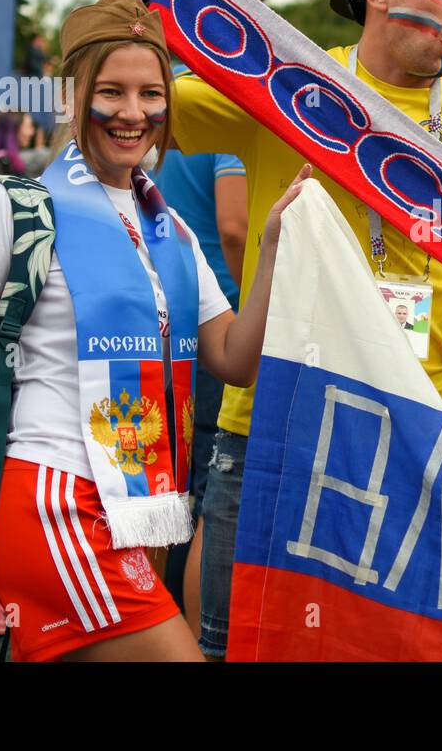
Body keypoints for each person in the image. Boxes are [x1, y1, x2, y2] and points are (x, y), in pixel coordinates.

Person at [143, 0, 442, 659]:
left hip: (417, 438)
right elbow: (116, 96)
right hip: (274, 431)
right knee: (234, 647)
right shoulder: (284, 87)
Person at [0, 0, 305, 662]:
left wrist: (272, 251)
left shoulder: (169, 228)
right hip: (56, 500)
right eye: (110, 91)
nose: (133, 112)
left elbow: (234, 357)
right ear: (71, 95)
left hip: (136, 510)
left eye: (152, 93)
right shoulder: (20, 204)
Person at [150, 143, 248, 629]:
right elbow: (234, 227)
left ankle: (156, 621)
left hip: (160, 319)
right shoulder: (227, 107)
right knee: (213, 492)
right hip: (218, 321)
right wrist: (252, 297)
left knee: (164, 484)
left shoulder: (169, 102)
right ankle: (190, 637)